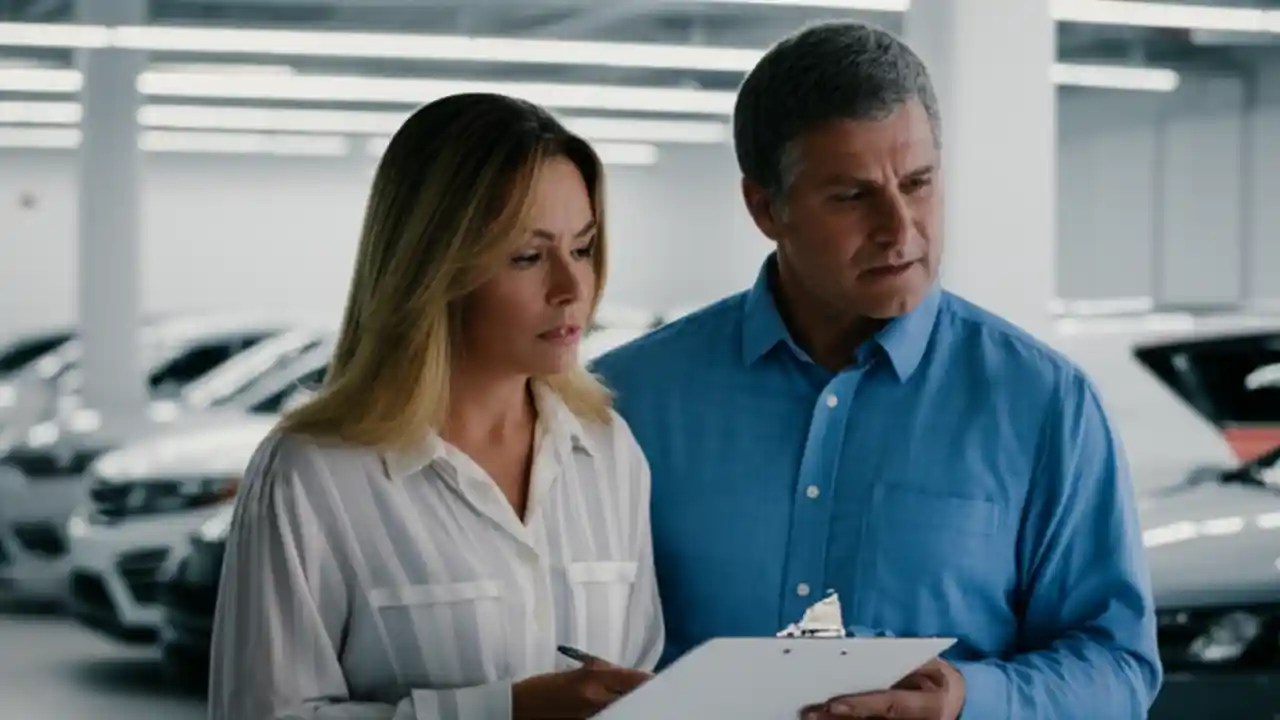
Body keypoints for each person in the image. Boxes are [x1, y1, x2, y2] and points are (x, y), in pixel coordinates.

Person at [592, 21, 1160, 720]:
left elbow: (1118, 665)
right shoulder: (630, 403)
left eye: (918, 184)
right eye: (853, 196)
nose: (901, 228)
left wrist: (967, 699)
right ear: (766, 207)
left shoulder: (1045, 404)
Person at [209, 93, 663, 720]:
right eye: (528, 257)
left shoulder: (608, 453)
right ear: (434, 267)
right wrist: (502, 712)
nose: (571, 288)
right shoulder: (313, 474)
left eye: (582, 249)